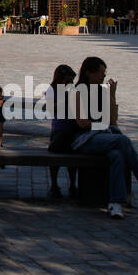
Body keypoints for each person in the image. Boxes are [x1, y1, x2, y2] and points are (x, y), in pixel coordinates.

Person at [62, 55, 138, 218]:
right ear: (88, 73)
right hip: (83, 140)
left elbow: (113, 121)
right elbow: (82, 123)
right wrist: (102, 125)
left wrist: (112, 95)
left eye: (104, 73)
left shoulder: (101, 92)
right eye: (100, 73)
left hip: (101, 137)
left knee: (117, 155)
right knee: (122, 140)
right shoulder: (77, 92)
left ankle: (115, 203)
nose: (103, 76)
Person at [45, 64, 79, 198]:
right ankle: (54, 184)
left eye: (72, 81)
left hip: (72, 128)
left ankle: (72, 184)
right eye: (67, 81)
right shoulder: (52, 90)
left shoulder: (72, 90)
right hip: (59, 129)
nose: (70, 84)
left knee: (73, 160)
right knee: (55, 158)